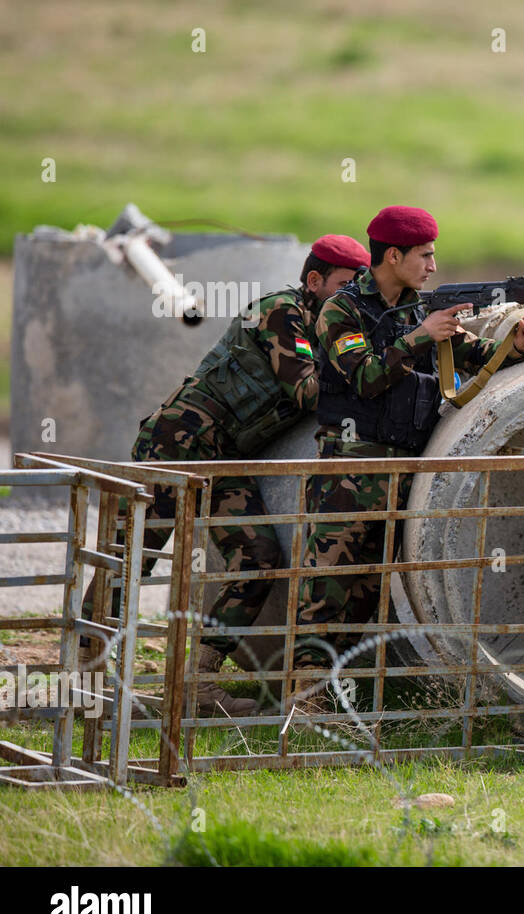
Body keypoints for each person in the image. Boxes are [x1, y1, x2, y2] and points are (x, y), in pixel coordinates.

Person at [83, 235, 370, 717]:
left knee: (258, 557)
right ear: (315, 281)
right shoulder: (283, 312)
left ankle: (199, 681)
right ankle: (87, 678)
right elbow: (306, 391)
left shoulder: (328, 324)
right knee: (132, 557)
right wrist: (367, 370)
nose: (352, 297)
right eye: (344, 286)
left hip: (222, 458)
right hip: (178, 444)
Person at [292, 205, 524, 710]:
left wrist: (516, 347)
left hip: (405, 469)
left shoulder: (414, 308)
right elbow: (362, 376)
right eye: (424, 255)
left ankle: (335, 694)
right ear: (393, 255)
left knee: (369, 589)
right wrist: (419, 336)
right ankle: (303, 697)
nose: (433, 265)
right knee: (328, 585)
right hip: (351, 469)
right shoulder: (341, 310)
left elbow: (470, 354)